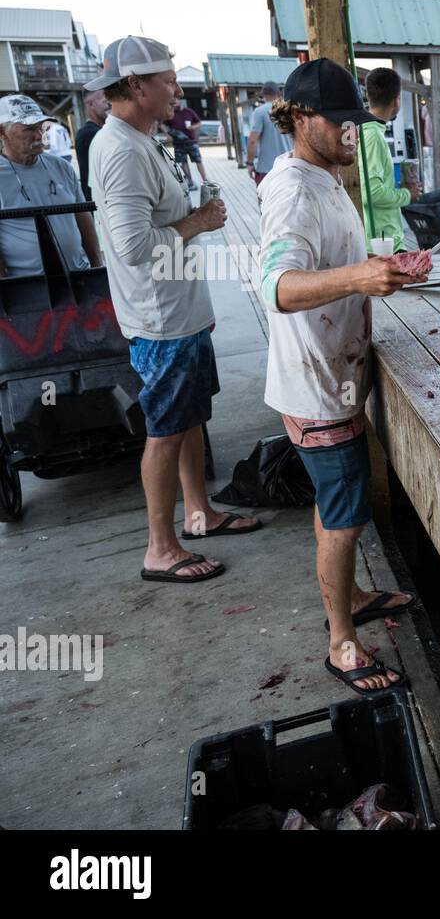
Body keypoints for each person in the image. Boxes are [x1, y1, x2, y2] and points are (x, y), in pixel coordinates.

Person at [258, 57, 418, 696]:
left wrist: (377, 265)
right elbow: (277, 284)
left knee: (337, 505)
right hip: (317, 388)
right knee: (345, 513)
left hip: (334, 375)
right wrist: (359, 278)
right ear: (299, 118)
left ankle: (349, 593)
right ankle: (341, 643)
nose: (352, 133)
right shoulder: (295, 193)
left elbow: (334, 260)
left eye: (357, 120)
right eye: (339, 121)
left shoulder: (321, 175)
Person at [87, 35, 260, 585]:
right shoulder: (119, 150)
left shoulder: (140, 139)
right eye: (166, 79)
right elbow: (133, 246)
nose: (176, 89)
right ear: (135, 85)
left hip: (179, 307)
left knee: (188, 418)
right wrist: (199, 222)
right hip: (160, 318)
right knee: (164, 428)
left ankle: (199, 512)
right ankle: (160, 547)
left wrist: (191, 211)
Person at [0, 95, 102, 278]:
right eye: (29, 129)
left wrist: (96, 268)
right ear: (2, 132)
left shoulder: (60, 166)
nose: (39, 135)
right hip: (27, 287)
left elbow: (83, 218)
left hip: (78, 276)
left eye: (40, 127)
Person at [359, 67, 419, 252]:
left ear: (368, 95)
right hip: (381, 242)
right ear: (397, 100)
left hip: (378, 238)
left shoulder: (365, 131)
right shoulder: (373, 137)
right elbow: (372, 193)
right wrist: (407, 195)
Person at [245, 81, 292, 186]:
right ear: (278, 93)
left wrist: (250, 163)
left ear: (263, 94)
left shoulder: (259, 112)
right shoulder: (289, 111)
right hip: (289, 167)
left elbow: (252, 141)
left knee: (266, 202)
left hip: (267, 169)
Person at [76, 88, 110, 201]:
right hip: (98, 204)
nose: (110, 105)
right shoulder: (89, 134)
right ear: (91, 104)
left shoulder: (93, 132)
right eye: (105, 101)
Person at [168, 99, 207, 189]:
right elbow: (163, 125)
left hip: (191, 141)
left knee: (198, 160)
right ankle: (190, 181)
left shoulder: (188, 111)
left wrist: (193, 127)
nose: (174, 103)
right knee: (183, 163)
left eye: (176, 101)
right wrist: (168, 133)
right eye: (172, 102)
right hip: (178, 143)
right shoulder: (170, 113)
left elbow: (199, 122)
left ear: (180, 102)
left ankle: (205, 180)